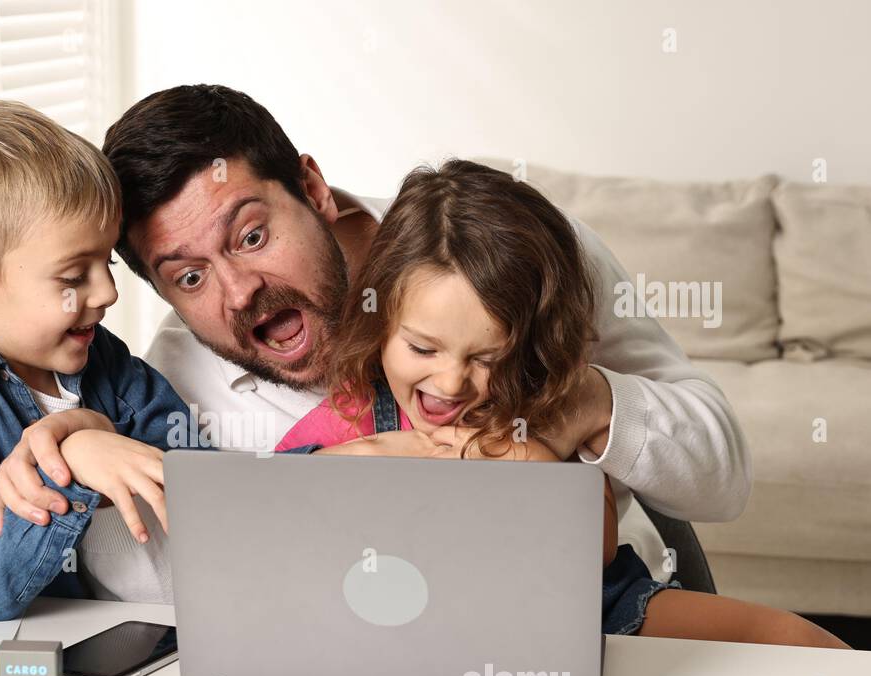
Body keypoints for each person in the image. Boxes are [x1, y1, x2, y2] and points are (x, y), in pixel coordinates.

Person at [0, 84, 752, 586]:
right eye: (188, 277)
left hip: (620, 616)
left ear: (313, 189)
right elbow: (148, 577)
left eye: (251, 235)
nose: (239, 290)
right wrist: (74, 443)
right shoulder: (176, 383)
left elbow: (723, 479)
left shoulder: (509, 252)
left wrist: (579, 403)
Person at [279, 159, 846, 648]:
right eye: (423, 348)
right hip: (413, 627)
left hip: (586, 611)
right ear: (381, 324)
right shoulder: (349, 414)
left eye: (488, 357)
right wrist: (400, 454)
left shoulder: (540, 405)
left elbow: (590, 554)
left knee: (796, 642)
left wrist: (516, 460)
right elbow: (281, 509)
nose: (451, 384)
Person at [0, 100, 192, 621]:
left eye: (108, 262)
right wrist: (69, 465)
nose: (108, 292)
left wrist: (92, 432)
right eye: (74, 276)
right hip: (8, 665)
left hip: (130, 642)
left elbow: (194, 469)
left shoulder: (100, 353)